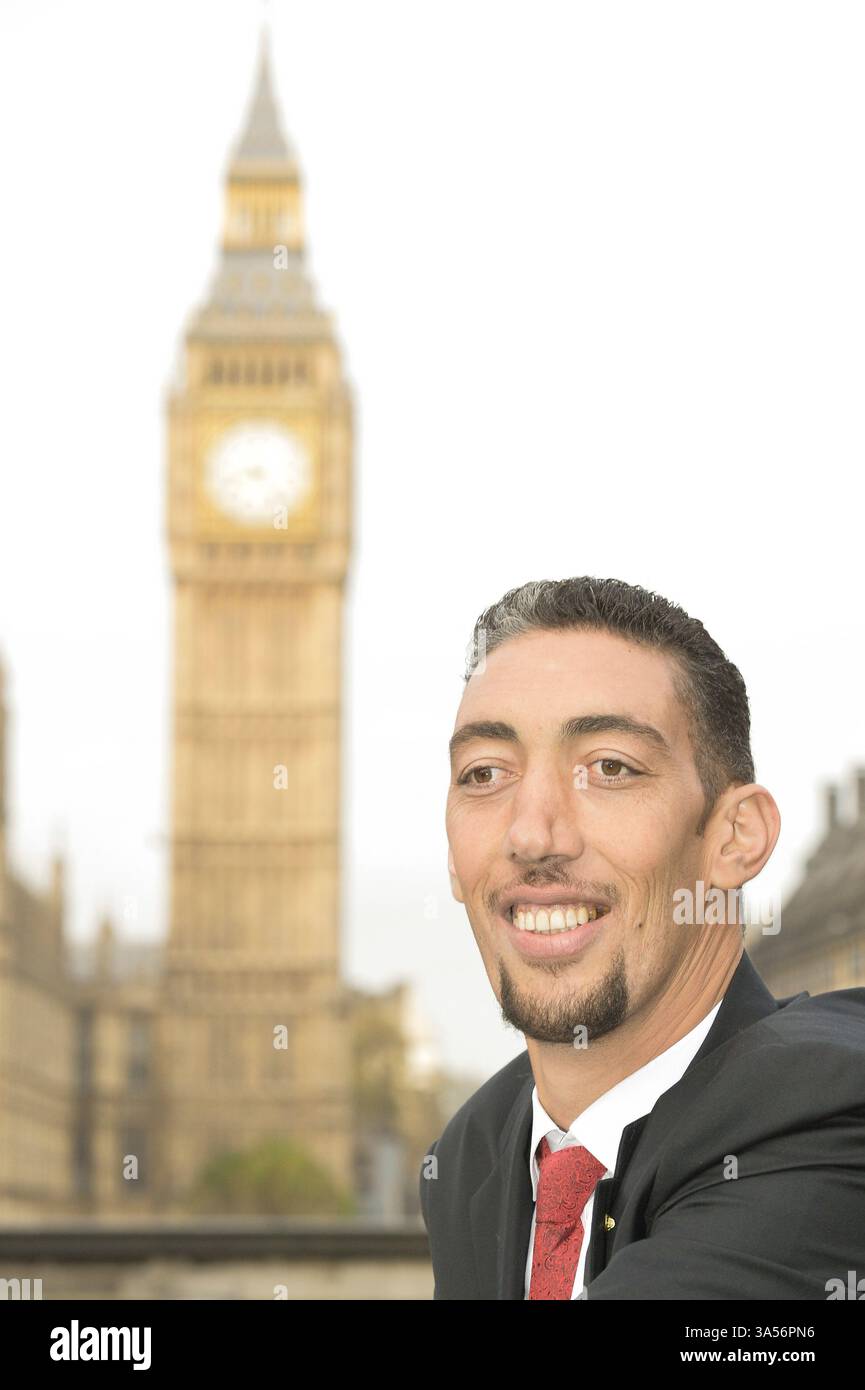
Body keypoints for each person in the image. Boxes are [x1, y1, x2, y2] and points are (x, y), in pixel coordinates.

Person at [419, 576, 865, 1299]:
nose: (532, 834)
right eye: (485, 774)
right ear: (451, 854)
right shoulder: (474, 1150)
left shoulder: (833, 1111)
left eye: (610, 768)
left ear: (735, 838)